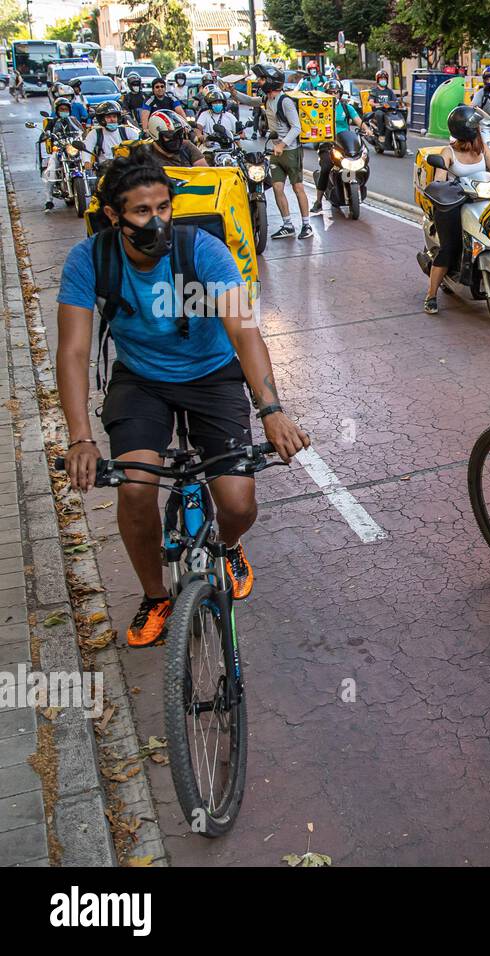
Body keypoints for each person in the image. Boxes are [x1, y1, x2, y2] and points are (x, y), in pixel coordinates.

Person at [54, 149, 310, 646]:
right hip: (141, 381)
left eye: (164, 208)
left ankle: (230, 547)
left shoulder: (204, 251)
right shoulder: (90, 259)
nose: (158, 220)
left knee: (236, 503)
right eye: (142, 212)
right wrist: (80, 437)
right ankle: (155, 596)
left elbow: (245, 331)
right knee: (134, 488)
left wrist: (272, 409)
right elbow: (73, 349)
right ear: (113, 215)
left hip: (213, 376)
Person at [421, 105, 490, 315]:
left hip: (480, 202)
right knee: (450, 248)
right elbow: (440, 176)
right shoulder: (449, 152)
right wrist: (443, 184)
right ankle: (431, 295)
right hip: (453, 204)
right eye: (476, 127)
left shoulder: (482, 149)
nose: (479, 130)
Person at [261, 65, 313, 240]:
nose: (259, 82)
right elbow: (250, 101)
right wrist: (234, 93)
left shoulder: (285, 102)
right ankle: (287, 224)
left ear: (270, 82)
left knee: (298, 187)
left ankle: (307, 225)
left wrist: (282, 145)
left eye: (262, 79)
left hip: (290, 151)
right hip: (277, 152)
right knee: (277, 187)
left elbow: (296, 127)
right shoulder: (267, 99)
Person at [310, 80, 363, 214]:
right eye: (330, 93)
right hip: (327, 144)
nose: (334, 95)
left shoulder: (346, 107)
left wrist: (368, 130)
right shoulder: (320, 107)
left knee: (361, 160)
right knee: (326, 167)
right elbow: (311, 122)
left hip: (345, 143)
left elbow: (358, 121)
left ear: (340, 94)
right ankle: (318, 201)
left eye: (336, 92)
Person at [39, 98, 82, 210]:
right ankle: (48, 200)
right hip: (59, 149)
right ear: (57, 110)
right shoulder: (52, 121)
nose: (64, 111)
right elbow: (46, 132)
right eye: (61, 109)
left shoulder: (73, 120)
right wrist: (46, 134)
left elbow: (81, 130)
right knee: (51, 169)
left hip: (71, 147)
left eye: (66, 109)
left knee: (86, 161)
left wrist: (84, 135)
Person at [83, 101, 140, 169]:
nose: (112, 119)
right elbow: (86, 148)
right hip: (104, 171)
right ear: (102, 119)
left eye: (114, 116)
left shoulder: (127, 131)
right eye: (108, 117)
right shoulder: (95, 133)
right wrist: (86, 161)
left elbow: (139, 145)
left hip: (126, 169)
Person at [363, 70, 403, 142]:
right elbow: (370, 102)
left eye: (384, 79)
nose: (383, 80)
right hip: (379, 111)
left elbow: (395, 100)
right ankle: (381, 134)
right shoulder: (374, 91)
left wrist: (398, 103)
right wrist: (379, 104)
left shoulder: (389, 91)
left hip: (389, 111)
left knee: (400, 113)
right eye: (381, 79)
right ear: (378, 80)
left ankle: (400, 131)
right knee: (379, 114)